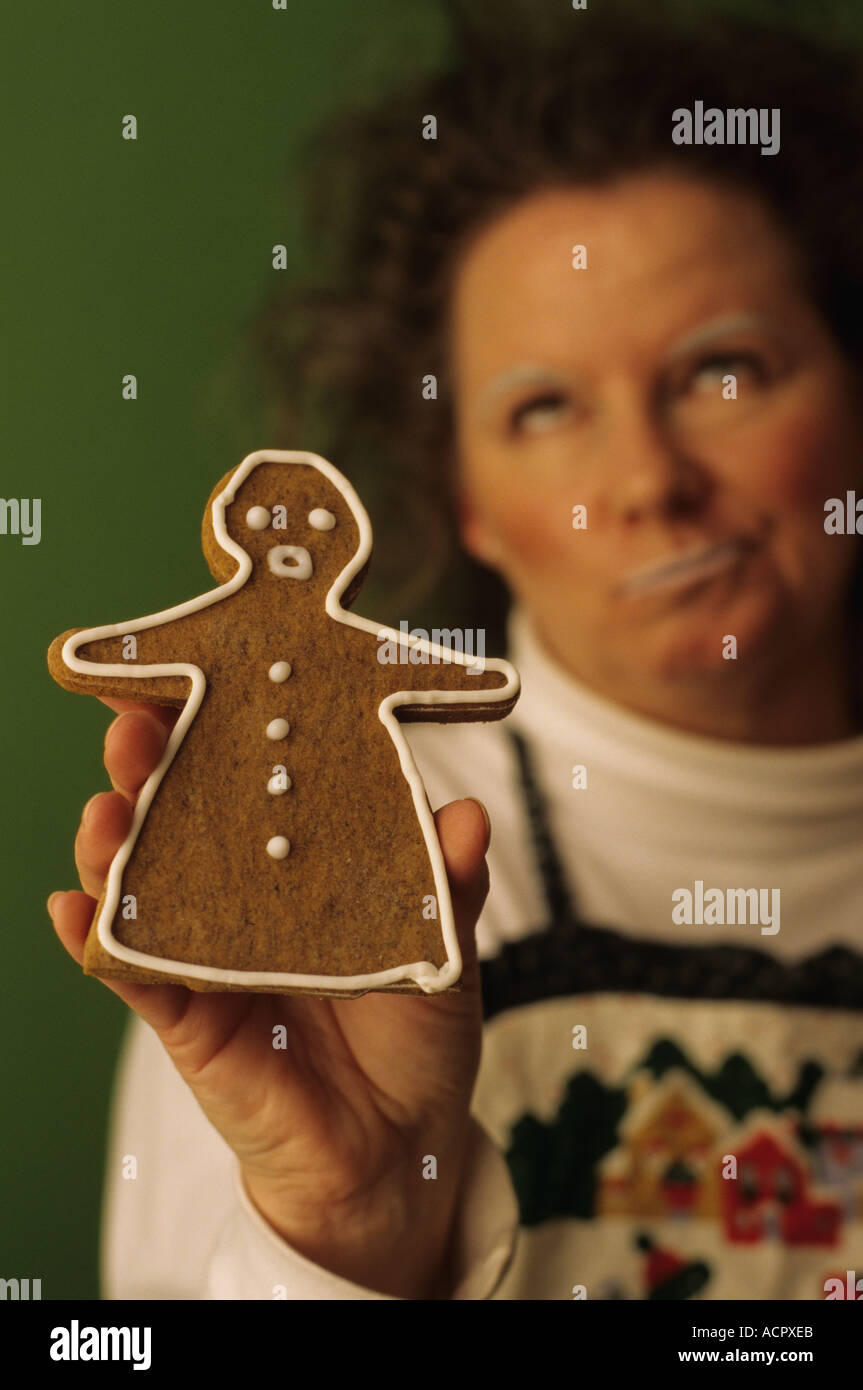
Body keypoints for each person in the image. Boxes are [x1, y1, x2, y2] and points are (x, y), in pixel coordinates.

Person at [47, 5, 863, 1300]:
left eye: (725, 370)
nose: (648, 480)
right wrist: (346, 1224)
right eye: (543, 408)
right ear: (469, 502)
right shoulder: (354, 877)